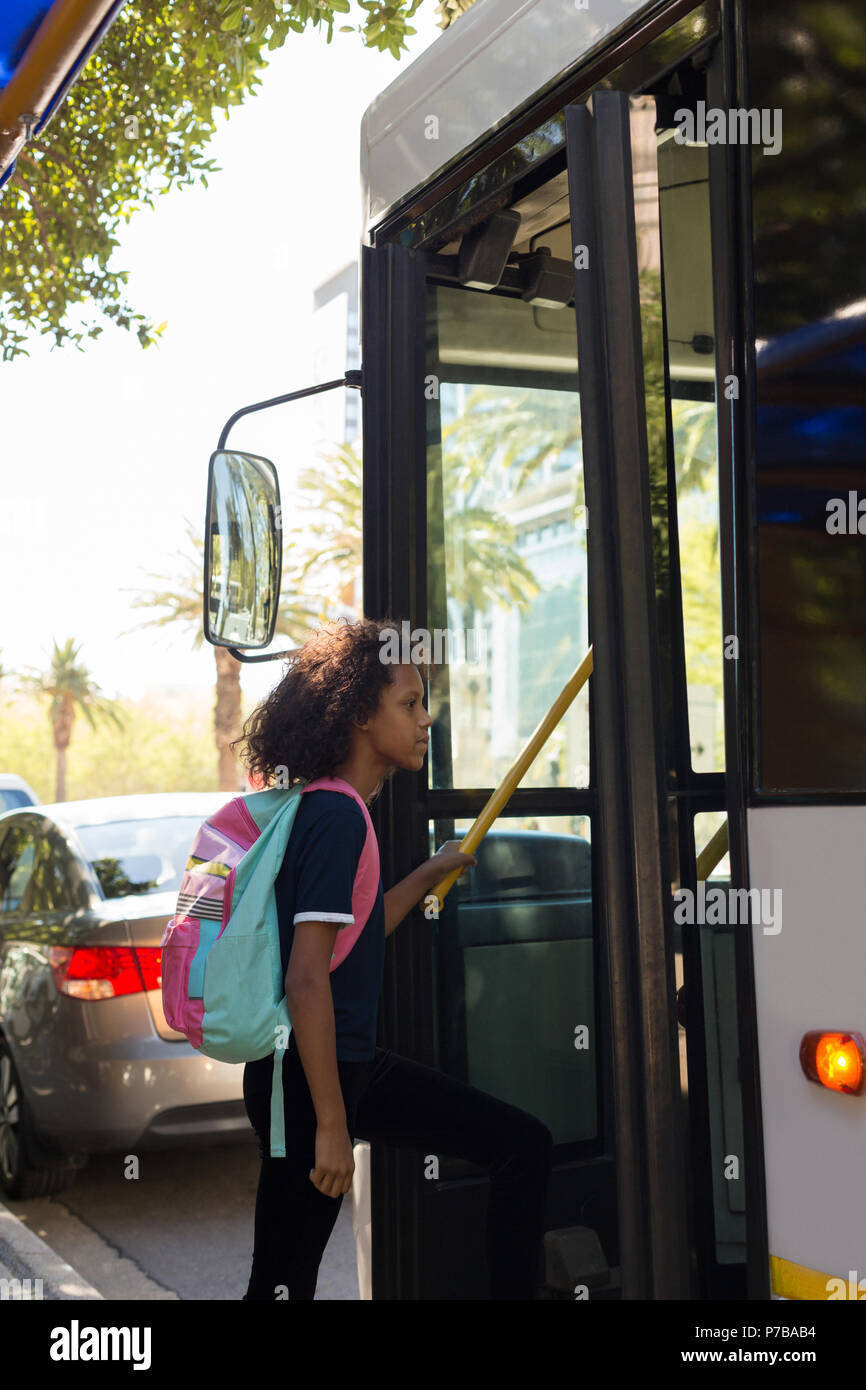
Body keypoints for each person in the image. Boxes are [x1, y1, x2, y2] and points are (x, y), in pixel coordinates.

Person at [237, 616, 554, 1301]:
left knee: (519, 1145)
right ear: (357, 714)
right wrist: (330, 1124)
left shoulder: (328, 808)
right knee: (281, 1286)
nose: (425, 720)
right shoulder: (338, 816)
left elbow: (353, 934)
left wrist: (426, 875)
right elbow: (306, 976)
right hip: (310, 1083)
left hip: (324, 1071)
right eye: (409, 705)